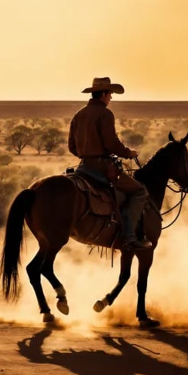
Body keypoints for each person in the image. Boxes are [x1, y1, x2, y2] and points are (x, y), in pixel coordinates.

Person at [68, 77, 153, 250]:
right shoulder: (105, 114)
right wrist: (128, 153)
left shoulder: (79, 114)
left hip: (83, 167)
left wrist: (86, 153)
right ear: (104, 94)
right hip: (101, 168)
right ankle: (129, 237)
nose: (111, 98)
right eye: (110, 94)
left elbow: (71, 146)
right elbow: (111, 143)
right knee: (139, 192)